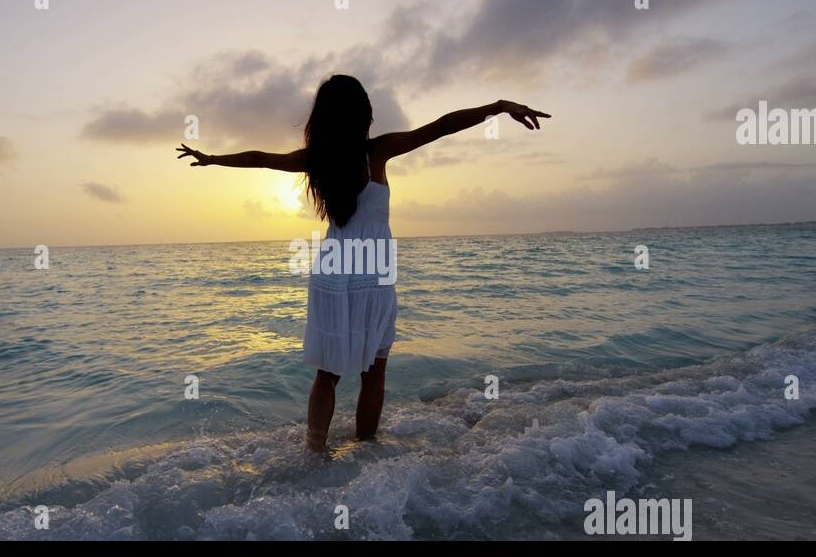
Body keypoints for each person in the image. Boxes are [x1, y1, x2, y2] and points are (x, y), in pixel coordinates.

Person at [177, 74, 550, 451]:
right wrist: (499, 107)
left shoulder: (316, 161)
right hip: (372, 275)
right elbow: (440, 127)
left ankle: (313, 453)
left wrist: (212, 160)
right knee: (374, 371)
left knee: (328, 373)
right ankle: (365, 451)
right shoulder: (377, 153)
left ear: (320, 120)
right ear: (363, 116)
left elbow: (259, 159)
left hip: (331, 273)